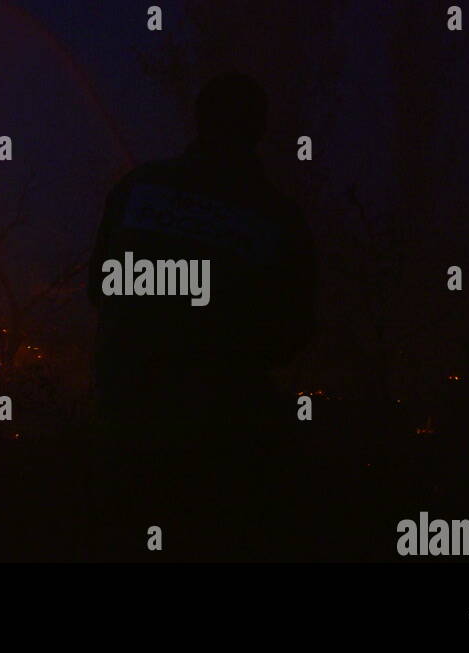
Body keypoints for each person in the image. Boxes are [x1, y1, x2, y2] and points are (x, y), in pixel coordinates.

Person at [86, 73, 316, 560]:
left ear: (198, 120)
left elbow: (98, 290)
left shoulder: (139, 188)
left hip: (122, 422)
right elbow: (290, 334)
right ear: (260, 130)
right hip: (221, 440)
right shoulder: (276, 215)